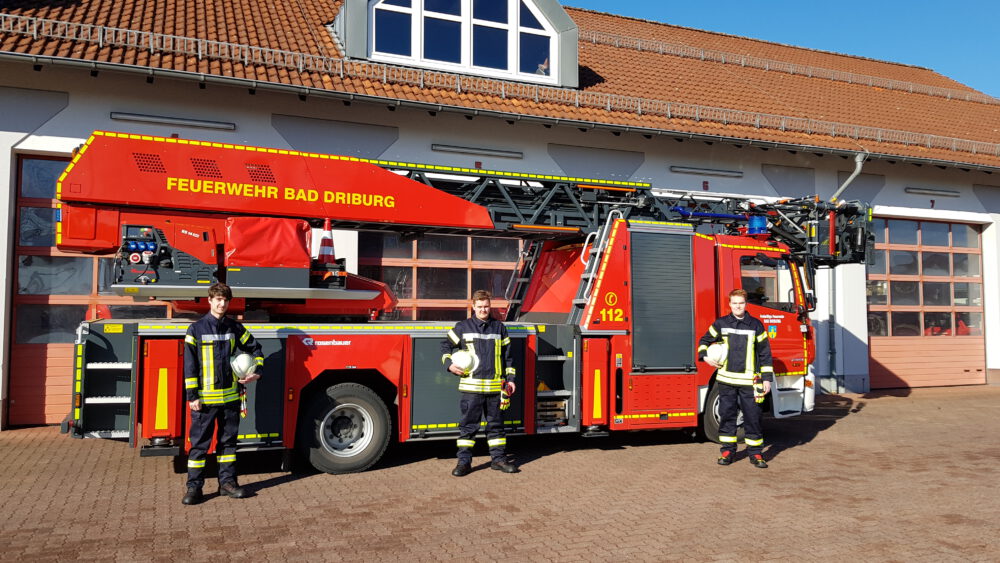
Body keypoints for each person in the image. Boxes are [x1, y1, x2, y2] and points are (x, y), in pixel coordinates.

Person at [181, 283, 263, 505]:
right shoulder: (195, 330)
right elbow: (189, 366)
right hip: (204, 402)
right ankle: (194, 488)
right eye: (217, 299)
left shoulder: (234, 328)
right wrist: (192, 397)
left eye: (225, 300)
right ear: (209, 300)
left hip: (230, 400)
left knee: (228, 445)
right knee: (199, 447)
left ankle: (227, 484)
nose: (221, 303)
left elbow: (256, 349)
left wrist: (256, 371)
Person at [441, 290, 518, 476]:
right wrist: (449, 365)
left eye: (486, 306)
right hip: (471, 389)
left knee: (496, 426)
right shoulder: (462, 327)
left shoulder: (499, 327)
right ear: (473, 307)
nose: (483, 310)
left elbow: (508, 357)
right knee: (468, 427)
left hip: (495, 388)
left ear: (490, 307)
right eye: (480, 307)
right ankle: (464, 463)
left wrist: (511, 380)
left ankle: (498, 460)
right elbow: (445, 345)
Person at [697, 288, 774, 468]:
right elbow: (704, 341)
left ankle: (756, 454)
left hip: (750, 382)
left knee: (753, 418)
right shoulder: (721, 323)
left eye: (741, 303)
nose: (738, 306)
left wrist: (767, 379)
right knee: (727, 416)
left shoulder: (756, 325)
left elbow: (765, 353)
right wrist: (706, 357)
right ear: (730, 305)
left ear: (746, 304)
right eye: (734, 303)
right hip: (726, 381)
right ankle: (727, 451)